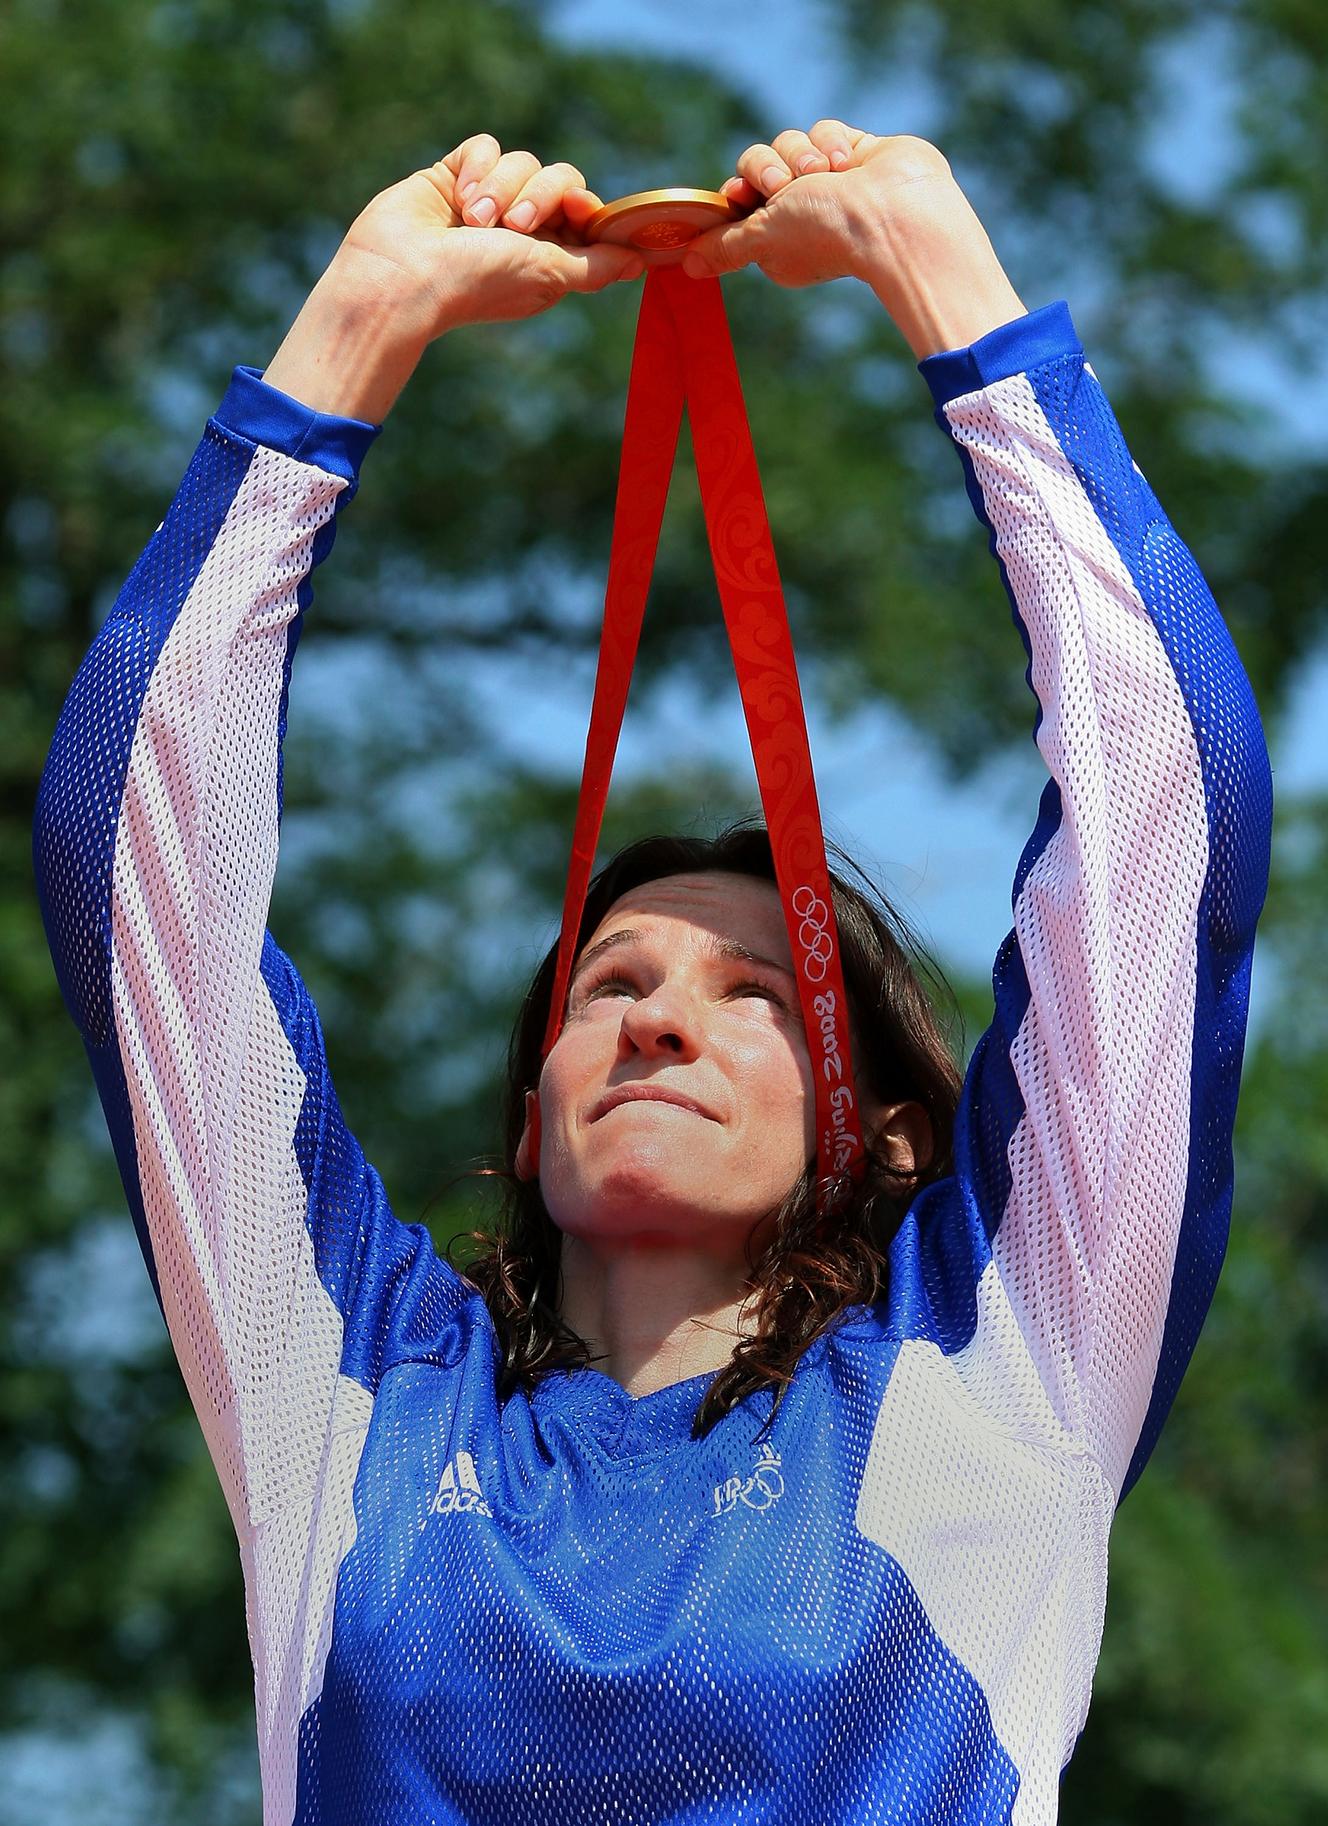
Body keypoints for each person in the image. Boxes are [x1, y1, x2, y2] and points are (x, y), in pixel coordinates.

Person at [33, 120, 1272, 1826]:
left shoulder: (998, 1366)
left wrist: (950, 288)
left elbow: (1165, 822)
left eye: (762, 992)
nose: (664, 1013)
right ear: (531, 1120)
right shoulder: (350, 1397)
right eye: (610, 984)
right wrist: (353, 330)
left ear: (892, 1139)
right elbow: (134, 877)